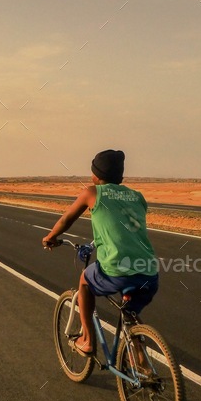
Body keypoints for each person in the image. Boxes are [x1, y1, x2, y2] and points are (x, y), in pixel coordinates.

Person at [42, 149, 159, 358]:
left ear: (96, 175)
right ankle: (141, 361)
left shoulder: (92, 193)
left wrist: (51, 236)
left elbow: (66, 219)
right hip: (149, 272)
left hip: (116, 269)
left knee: (85, 280)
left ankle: (87, 340)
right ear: (121, 176)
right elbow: (122, 228)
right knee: (129, 313)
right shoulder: (138, 197)